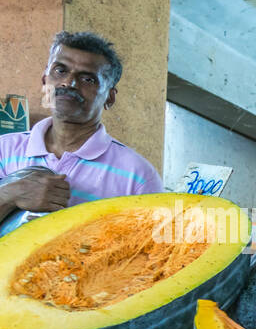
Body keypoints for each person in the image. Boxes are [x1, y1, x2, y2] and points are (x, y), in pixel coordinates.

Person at [0, 31, 163, 227]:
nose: (69, 83)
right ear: (44, 81)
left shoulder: (138, 176)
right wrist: (11, 194)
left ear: (110, 97)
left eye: (88, 79)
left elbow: (150, 253)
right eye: (60, 70)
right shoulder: (4, 149)